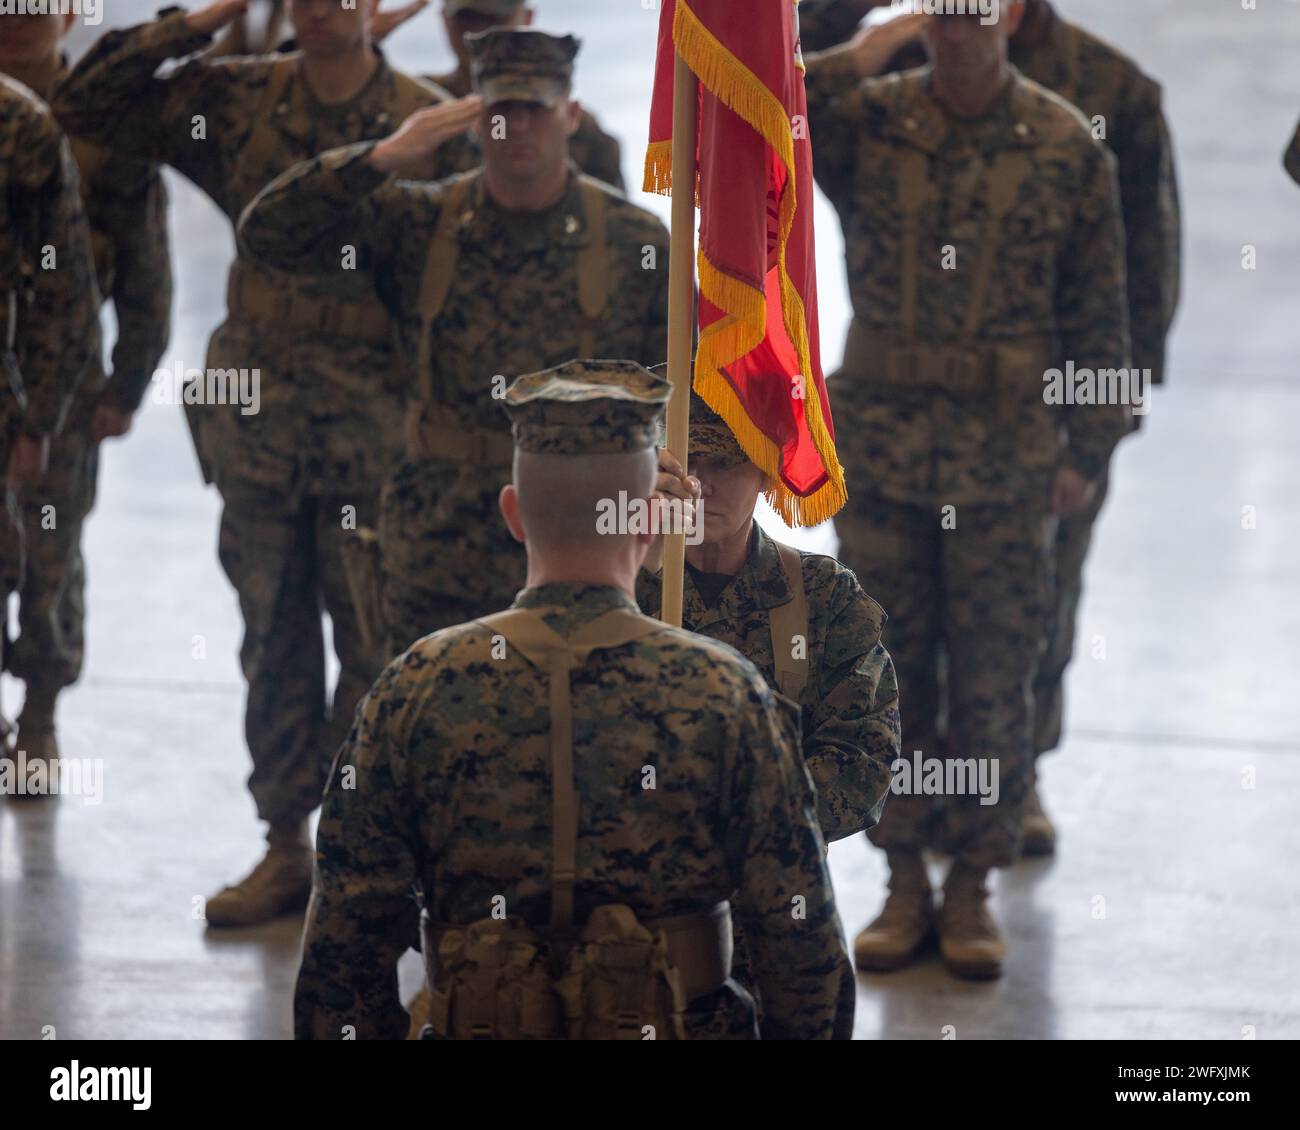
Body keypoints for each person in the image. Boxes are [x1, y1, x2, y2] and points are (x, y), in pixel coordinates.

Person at [294, 359, 854, 1041]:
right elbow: (804, 958)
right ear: (652, 518)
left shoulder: (414, 690)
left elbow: (340, 963)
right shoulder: (728, 698)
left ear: (513, 514)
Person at [54, 0, 453, 925]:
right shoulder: (237, 102)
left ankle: (364, 855)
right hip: (260, 414)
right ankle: (284, 843)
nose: (322, 11)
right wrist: (201, 19)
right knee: (271, 632)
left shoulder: (421, 121)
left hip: (372, 422)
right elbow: (86, 101)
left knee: (370, 645)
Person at [800, 0, 1183, 854]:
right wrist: (868, 47)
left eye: (977, 14)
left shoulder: (1073, 128)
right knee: (885, 666)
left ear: (1010, 18)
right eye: (943, 14)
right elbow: (772, 118)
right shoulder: (875, 116)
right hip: (889, 445)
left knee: (1001, 666)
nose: (959, 30)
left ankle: (980, 862)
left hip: (1012, 447)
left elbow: (1111, 304)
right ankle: (904, 866)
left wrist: (1091, 442)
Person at [240, 27, 668, 661]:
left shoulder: (633, 242)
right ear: (474, 116)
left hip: (583, 533)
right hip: (438, 536)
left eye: (535, 108)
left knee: (578, 728)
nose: (517, 127)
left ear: (570, 115)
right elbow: (269, 235)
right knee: (432, 727)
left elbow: (681, 387)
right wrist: (381, 157)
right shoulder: (420, 223)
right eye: (499, 110)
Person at [0, 9, 172, 774]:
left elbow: (144, 263)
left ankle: (39, 714)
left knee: (50, 551)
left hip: (60, 374)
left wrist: (127, 383)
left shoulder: (102, 119)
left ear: (69, 13)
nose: (21, 19)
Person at [638, 393, 899, 844]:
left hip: (773, 887)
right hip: (638, 891)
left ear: (765, 473)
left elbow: (862, 765)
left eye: (723, 463)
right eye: (686, 462)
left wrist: (731, 821)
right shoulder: (615, 585)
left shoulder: (823, 596)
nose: (699, 484)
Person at [0, 77, 102, 779]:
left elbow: (64, 285)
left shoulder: (20, 126)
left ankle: (37, 717)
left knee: (39, 562)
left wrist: (38, 416)